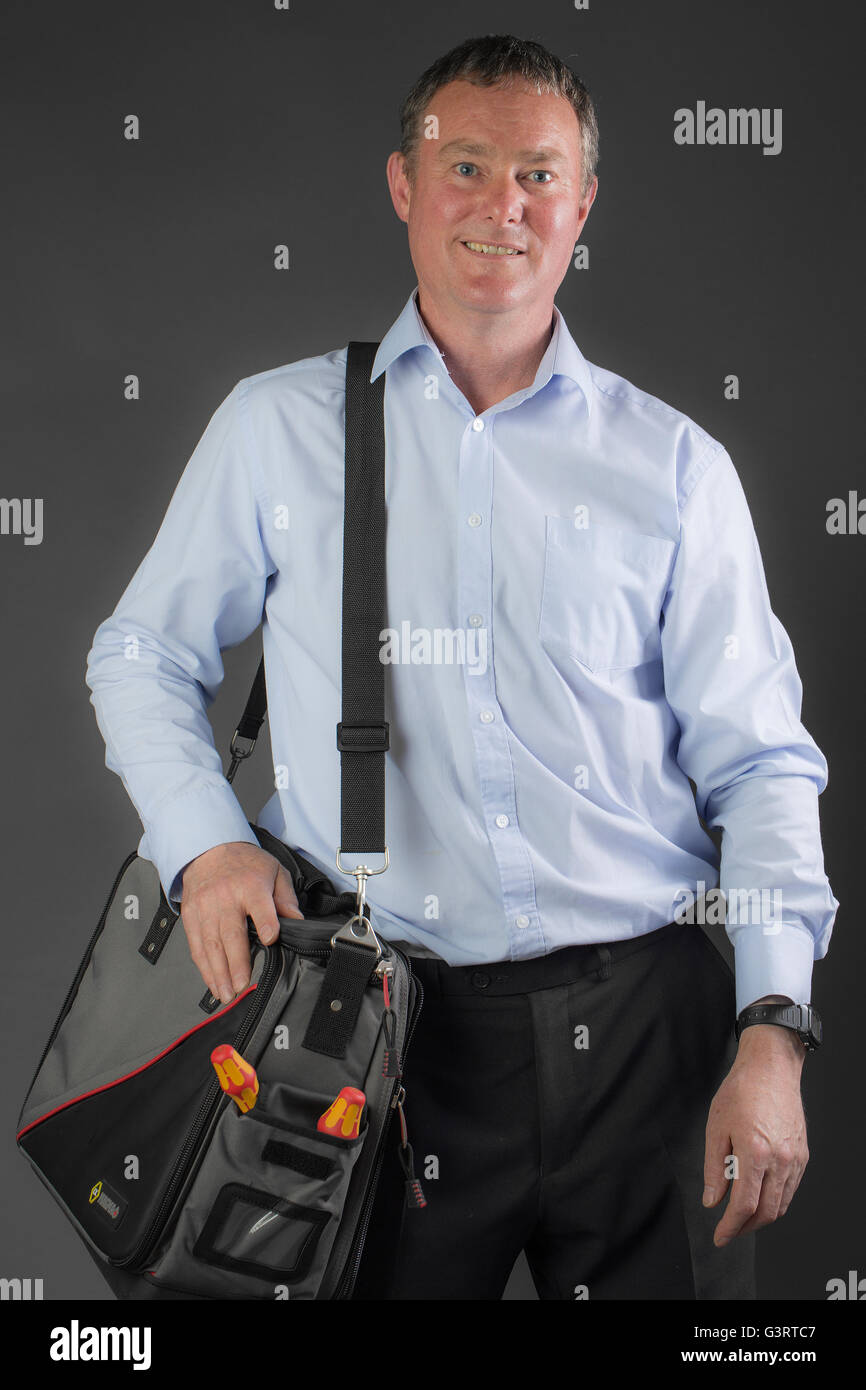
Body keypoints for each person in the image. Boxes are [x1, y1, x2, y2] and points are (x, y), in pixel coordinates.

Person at [85, 34, 838, 1300]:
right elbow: (141, 650)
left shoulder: (671, 466)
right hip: (375, 1035)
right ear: (401, 184)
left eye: (538, 174)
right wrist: (205, 844)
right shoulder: (278, 429)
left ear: (581, 207)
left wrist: (771, 1030)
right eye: (466, 164)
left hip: (648, 1031)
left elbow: (759, 763)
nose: (503, 205)